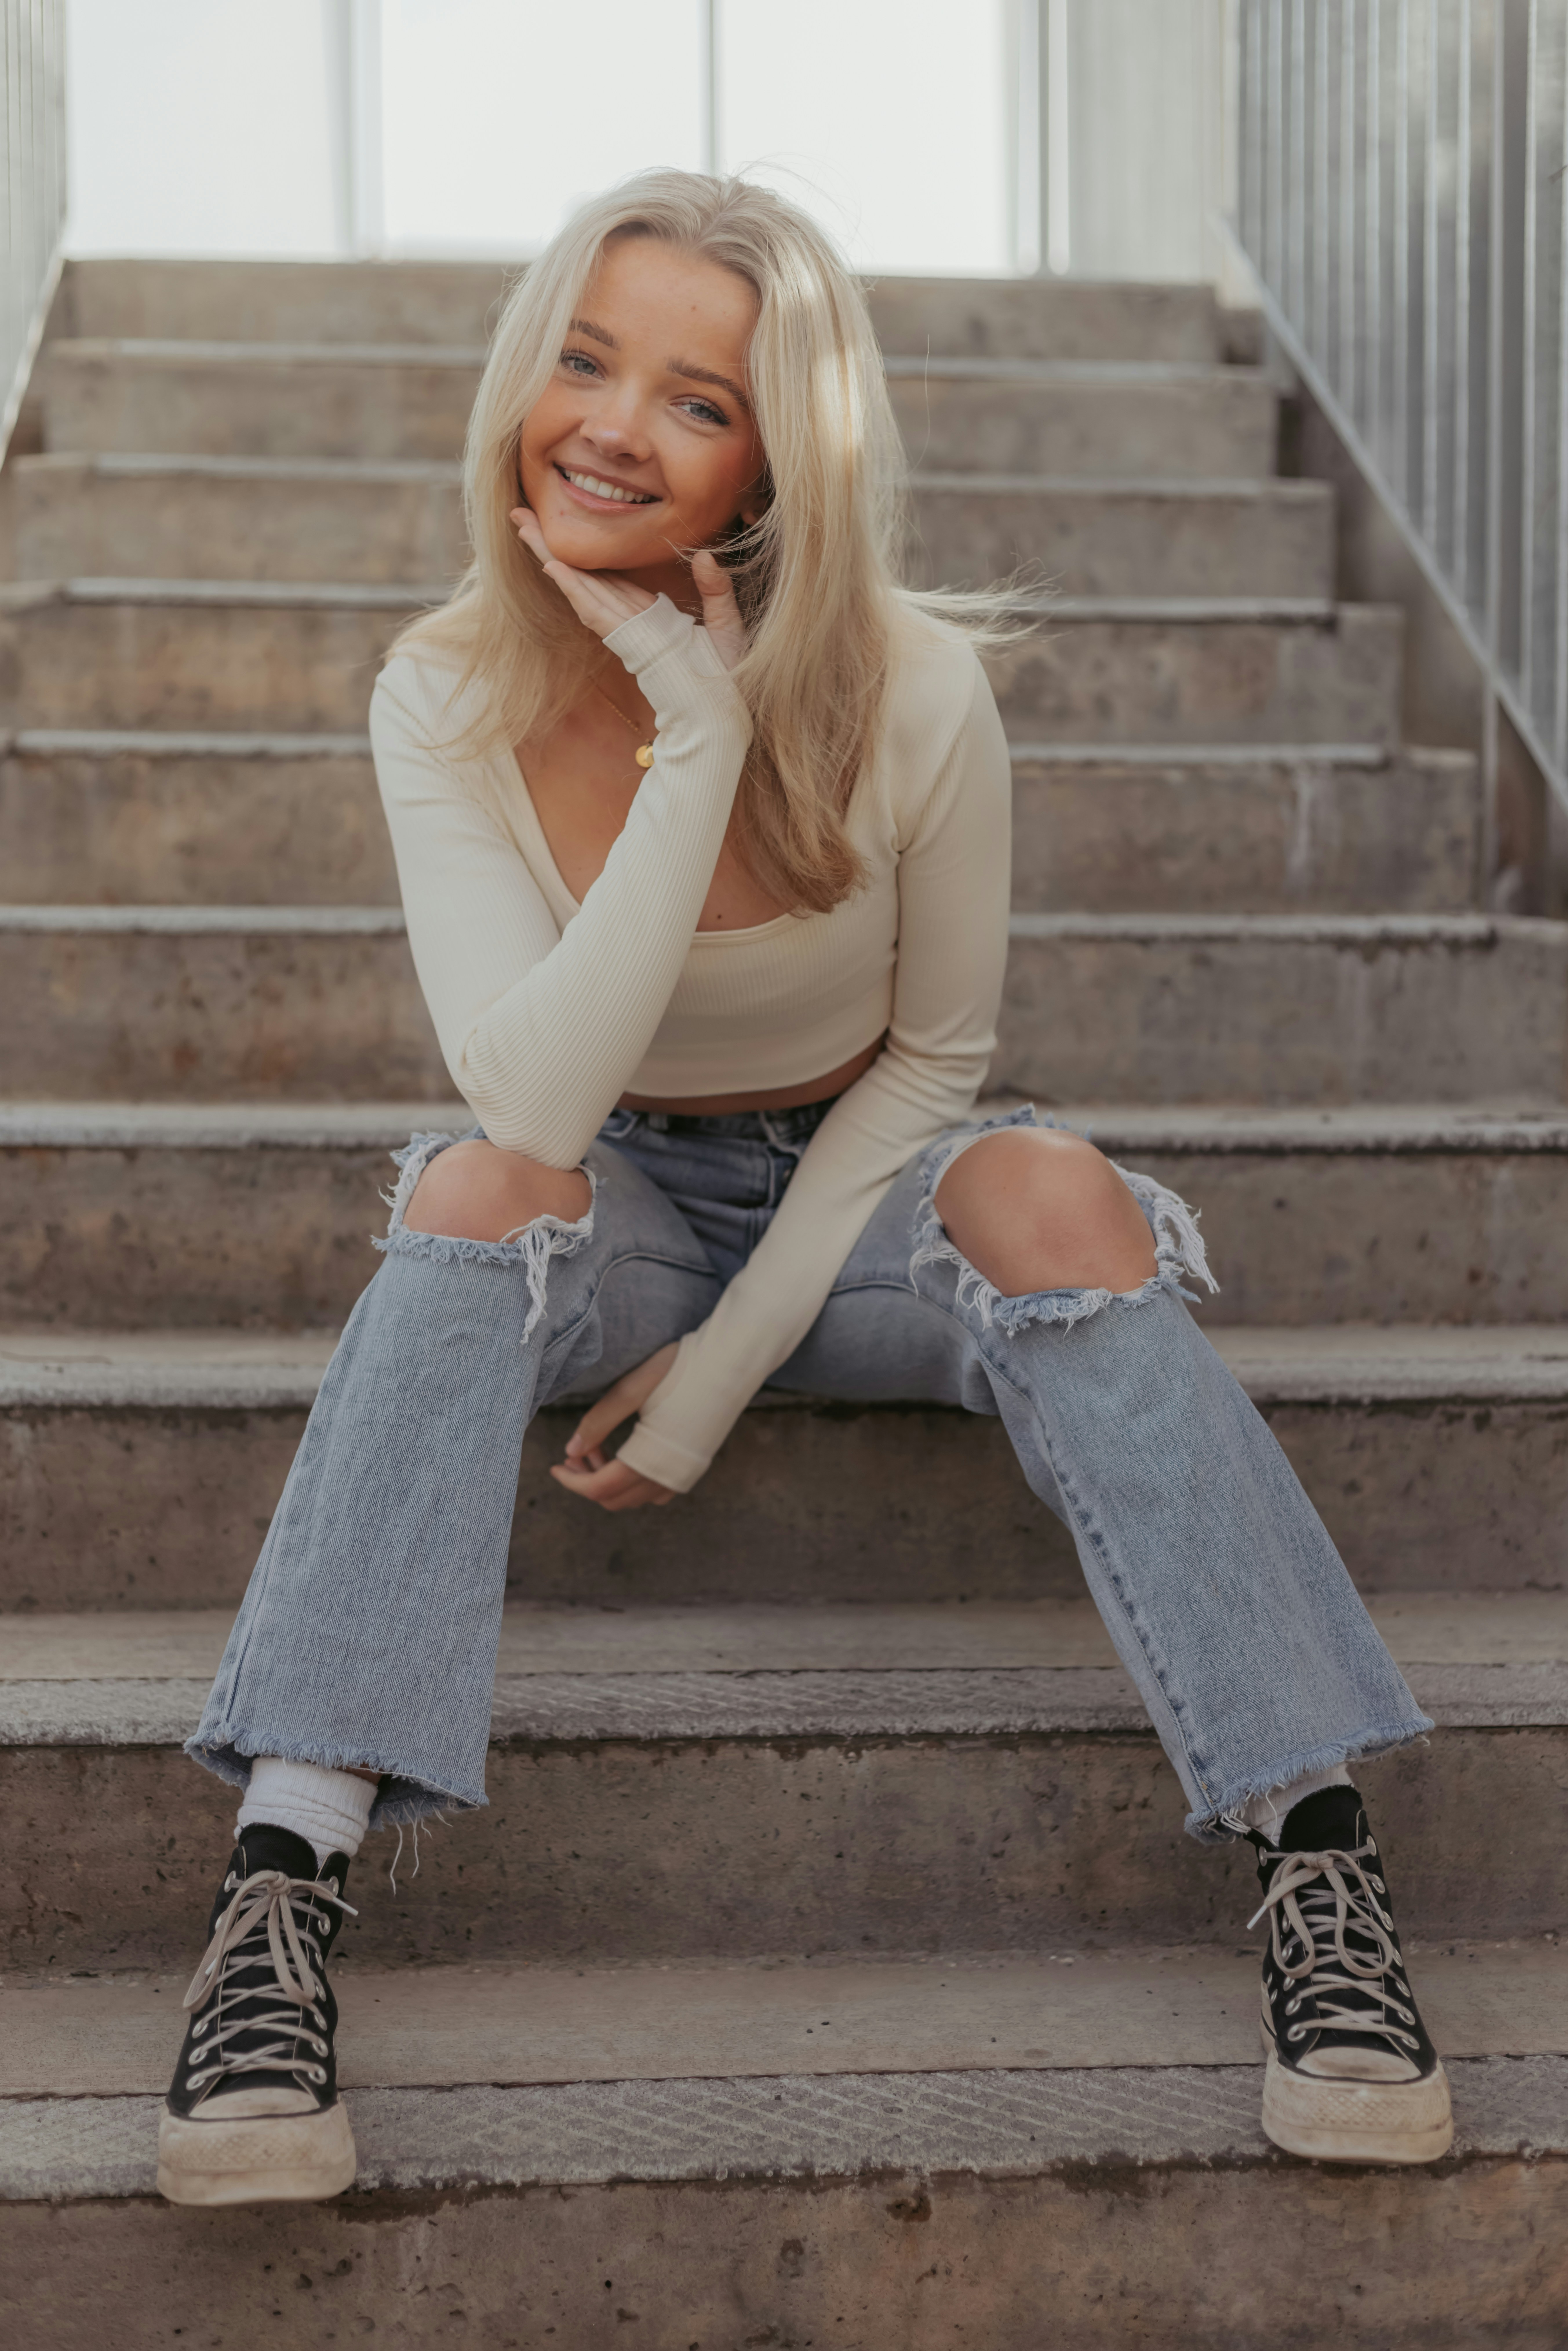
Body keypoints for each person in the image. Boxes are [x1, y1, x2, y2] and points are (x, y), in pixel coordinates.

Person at [157, 171, 1452, 2207]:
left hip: (870, 1188)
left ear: (777, 461)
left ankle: (1318, 1871)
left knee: (1053, 1193)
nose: (608, 425)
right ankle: (281, 1892)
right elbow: (537, 1094)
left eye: (695, 399)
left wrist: (718, 1378)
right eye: (582, 362)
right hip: (620, 1193)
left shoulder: (920, 686)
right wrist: (685, 741)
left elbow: (933, 1057)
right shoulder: (444, 690)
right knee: (477, 1193)